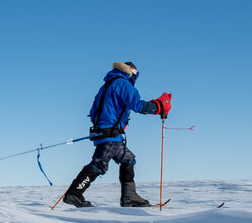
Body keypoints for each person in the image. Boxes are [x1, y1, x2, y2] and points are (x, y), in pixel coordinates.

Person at [63, 62, 172, 208]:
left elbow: (93, 112)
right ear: (132, 72)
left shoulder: (106, 86)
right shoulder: (123, 84)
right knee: (99, 163)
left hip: (105, 134)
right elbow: (138, 106)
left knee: (128, 159)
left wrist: (103, 126)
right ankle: (74, 194)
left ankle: (129, 197)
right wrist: (159, 106)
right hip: (111, 136)